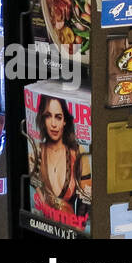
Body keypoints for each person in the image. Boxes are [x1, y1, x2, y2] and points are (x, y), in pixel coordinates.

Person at [32, 94, 90, 225]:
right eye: (48, 116)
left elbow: (85, 202)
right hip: (43, 228)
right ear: (42, 118)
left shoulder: (79, 152)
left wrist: (77, 230)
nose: (53, 124)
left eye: (58, 117)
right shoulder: (35, 153)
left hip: (71, 229)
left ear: (65, 120)